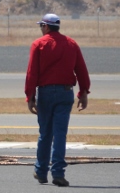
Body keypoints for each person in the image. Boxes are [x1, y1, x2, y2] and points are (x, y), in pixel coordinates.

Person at [25, 13, 90, 187]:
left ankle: (40, 171)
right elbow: (81, 70)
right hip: (65, 93)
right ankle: (58, 173)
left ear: (46, 26)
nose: (41, 29)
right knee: (60, 134)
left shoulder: (38, 44)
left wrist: (29, 96)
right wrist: (83, 92)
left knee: (45, 133)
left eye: (41, 26)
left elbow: (32, 73)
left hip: (45, 93)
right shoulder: (71, 44)